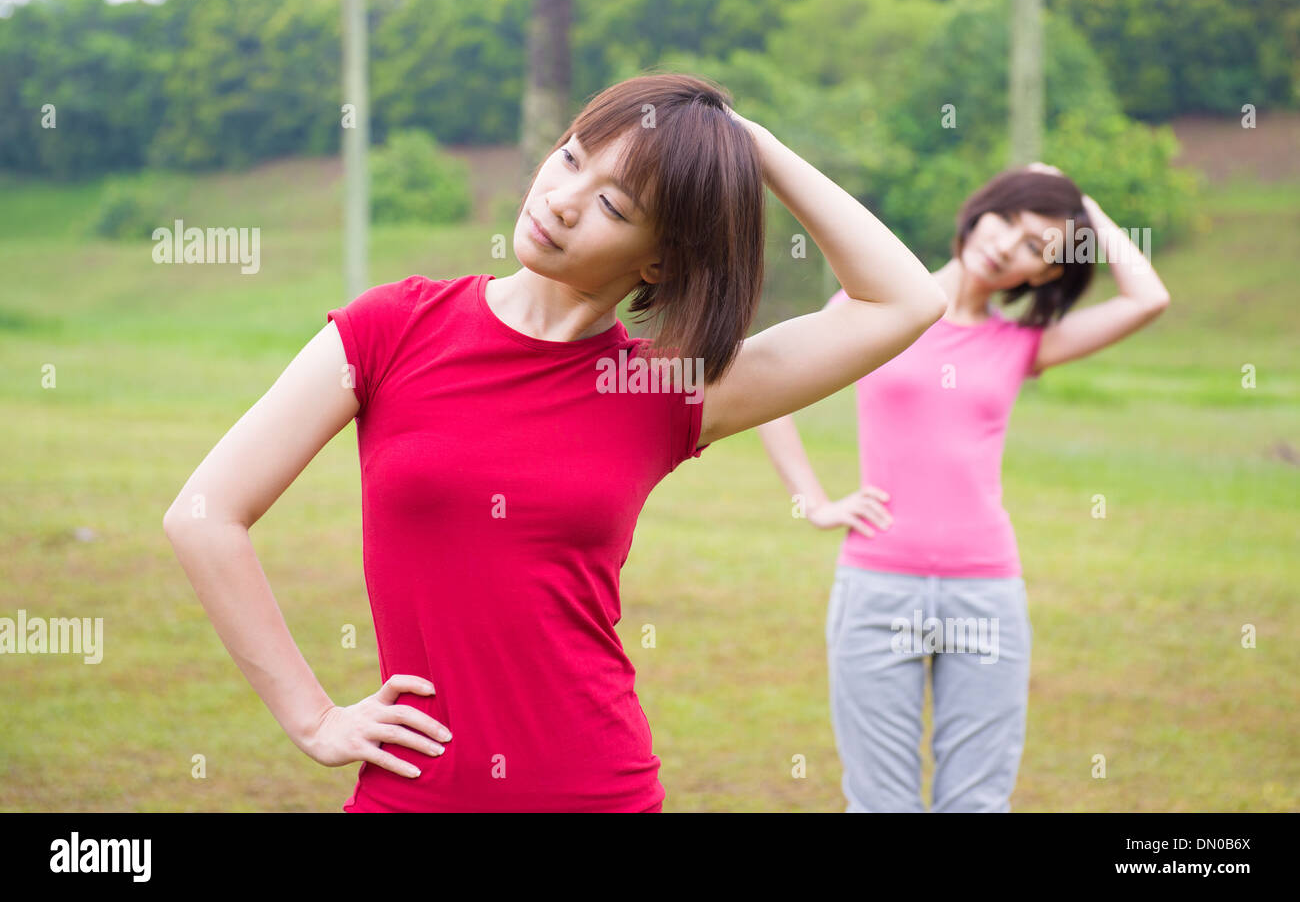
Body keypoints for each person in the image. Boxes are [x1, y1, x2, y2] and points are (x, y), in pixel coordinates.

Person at [163, 72, 948, 812]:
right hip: (416, 788)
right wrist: (313, 718)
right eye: (571, 155)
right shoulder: (394, 329)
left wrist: (748, 142)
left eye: (613, 203)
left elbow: (904, 300)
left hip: (595, 786)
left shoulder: (662, 390)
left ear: (661, 258)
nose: (562, 198)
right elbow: (204, 514)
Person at [757, 164, 1171, 812]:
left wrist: (1077, 201)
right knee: (879, 803)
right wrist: (813, 500)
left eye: (1038, 246)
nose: (1010, 244)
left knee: (976, 804)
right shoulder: (875, 314)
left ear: (1043, 275)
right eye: (1008, 218)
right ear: (980, 212)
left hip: (987, 595)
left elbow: (1148, 298)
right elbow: (768, 385)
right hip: (877, 590)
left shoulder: (1022, 344)